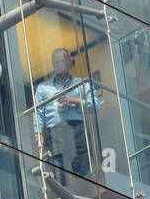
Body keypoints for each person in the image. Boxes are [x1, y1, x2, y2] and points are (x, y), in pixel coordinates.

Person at [34, 47, 102, 178]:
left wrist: (74, 101)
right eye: (56, 62)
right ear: (52, 65)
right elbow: (38, 113)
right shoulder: (43, 88)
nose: (60, 64)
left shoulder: (82, 84)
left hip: (77, 128)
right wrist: (38, 133)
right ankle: (60, 190)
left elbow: (96, 106)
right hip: (54, 131)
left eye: (63, 61)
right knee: (56, 167)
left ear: (70, 63)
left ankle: (85, 186)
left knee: (83, 164)